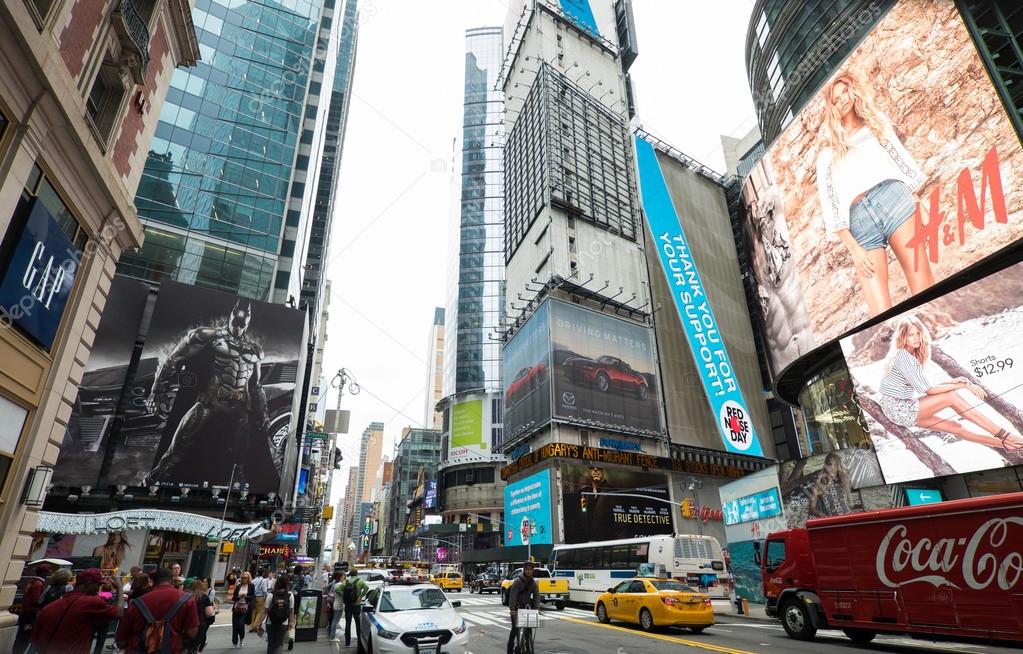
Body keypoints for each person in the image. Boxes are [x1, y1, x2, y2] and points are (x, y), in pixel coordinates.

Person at [815, 71, 933, 317]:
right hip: (860, 224)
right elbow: (832, 207)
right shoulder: (827, 154)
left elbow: (901, 162)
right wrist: (855, 250)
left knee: (924, 288)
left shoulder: (875, 126)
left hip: (895, 201)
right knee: (881, 315)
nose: (843, 100)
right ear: (831, 109)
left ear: (853, 90)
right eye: (835, 100)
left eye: (844, 92)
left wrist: (919, 202)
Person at [144, 300, 272, 488]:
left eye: (244, 319)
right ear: (231, 314)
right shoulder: (209, 335)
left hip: (239, 408)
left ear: (249, 320)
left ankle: (236, 486)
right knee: (176, 449)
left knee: (239, 464)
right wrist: (156, 390)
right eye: (237, 317)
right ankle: (151, 479)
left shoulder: (255, 350)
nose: (240, 323)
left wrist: (264, 414)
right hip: (210, 402)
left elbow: (256, 386)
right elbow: (172, 359)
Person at [878, 316, 1023, 452]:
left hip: (897, 408)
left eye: (918, 333)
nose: (916, 338)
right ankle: (1004, 435)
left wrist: (951, 383)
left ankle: (1009, 445)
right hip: (901, 409)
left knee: (956, 427)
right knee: (951, 397)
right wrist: (963, 385)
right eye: (911, 335)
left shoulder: (904, 355)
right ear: (903, 337)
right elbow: (928, 390)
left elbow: (924, 386)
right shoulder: (904, 357)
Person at [31, 568, 122, 654]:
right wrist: (119, 588)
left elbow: (36, 639)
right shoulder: (91, 601)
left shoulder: (48, 608)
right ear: (88, 584)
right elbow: (119, 613)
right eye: (97, 585)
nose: (98, 589)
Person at [115, 566, 198, 654]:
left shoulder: (136, 603)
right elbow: (191, 633)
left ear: (152, 581)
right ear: (171, 581)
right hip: (171, 649)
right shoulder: (187, 600)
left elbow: (121, 641)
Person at [13, 563, 51, 654]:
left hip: (26, 612)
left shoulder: (33, 581)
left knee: (22, 635)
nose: (49, 574)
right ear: (43, 573)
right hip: (30, 614)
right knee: (25, 636)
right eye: (48, 572)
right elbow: (35, 600)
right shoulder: (38, 584)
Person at [506, 562, 540, 654]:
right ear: (524, 570)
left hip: (527, 608)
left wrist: (537, 607)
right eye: (527, 569)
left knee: (528, 630)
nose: (529, 571)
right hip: (516, 608)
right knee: (515, 629)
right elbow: (513, 596)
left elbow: (537, 595)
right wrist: (512, 609)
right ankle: (510, 648)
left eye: (531, 570)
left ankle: (528, 648)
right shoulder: (518, 581)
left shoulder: (533, 582)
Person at [265, 573, 295, 654]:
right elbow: (292, 611)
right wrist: (290, 623)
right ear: (287, 584)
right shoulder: (290, 595)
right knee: (279, 644)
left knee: (271, 644)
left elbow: (266, 610)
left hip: (270, 623)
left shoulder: (271, 594)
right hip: (283, 623)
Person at [339, 569, 369, 646]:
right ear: (357, 574)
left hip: (348, 605)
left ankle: (347, 642)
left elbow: (338, 589)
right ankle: (359, 641)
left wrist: (344, 595)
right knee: (357, 623)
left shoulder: (347, 581)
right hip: (356, 605)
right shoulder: (361, 581)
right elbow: (367, 587)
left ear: (350, 574)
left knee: (348, 623)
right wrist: (360, 596)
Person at [185, 578, 214, 654]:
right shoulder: (204, 597)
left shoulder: (184, 595)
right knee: (194, 646)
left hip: (185, 623)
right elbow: (209, 613)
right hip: (200, 624)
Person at [230, 570, 254, 647]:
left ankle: (241, 638)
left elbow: (253, 597)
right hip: (237, 607)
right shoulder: (238, 586)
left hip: (245, 608)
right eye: (243, 577)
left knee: (241, 624)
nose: (244, 579)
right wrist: (239, 597)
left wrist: (246, 596)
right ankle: (234, 642)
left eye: (246, 578)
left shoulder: (251, 586)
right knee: (235, 625)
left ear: (248, 578)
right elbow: (233, 597)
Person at [249, 568, 269, 636]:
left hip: (253, 597)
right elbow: (264, 590)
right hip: (260, 597)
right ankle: (256, 625)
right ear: (263, 573)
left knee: (254, 611)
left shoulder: (253, 580)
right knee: (260, 611)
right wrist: (267, 596)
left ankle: (251, 626)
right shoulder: (263, 580)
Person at [325, 571, 344, 641]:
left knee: (331, 619)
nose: (344, 577)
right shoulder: (339, 584)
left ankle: (330, 632)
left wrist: (329, 594)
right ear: (339, 577)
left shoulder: (333, 582)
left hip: (331, 601)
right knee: (334, 620)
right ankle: (332, 635)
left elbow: (326, 587)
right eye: (343, 576)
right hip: (335, 602)